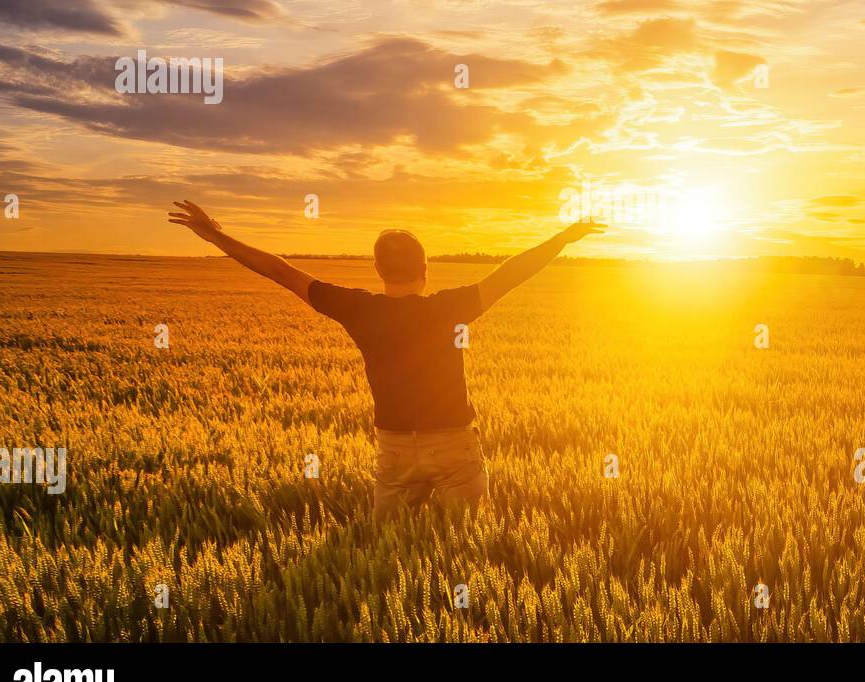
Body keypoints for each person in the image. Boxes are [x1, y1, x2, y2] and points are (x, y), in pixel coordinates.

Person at [167, 200, 604, 519]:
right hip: (454, 446)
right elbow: (513, 272)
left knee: (387, 557)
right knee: (461, 554)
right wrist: (564, 238)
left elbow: (280, 271)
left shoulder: (358, 309)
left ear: (378, 270)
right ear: (426, 268)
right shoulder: (452, 306)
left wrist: (216, 236)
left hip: (395, 450)